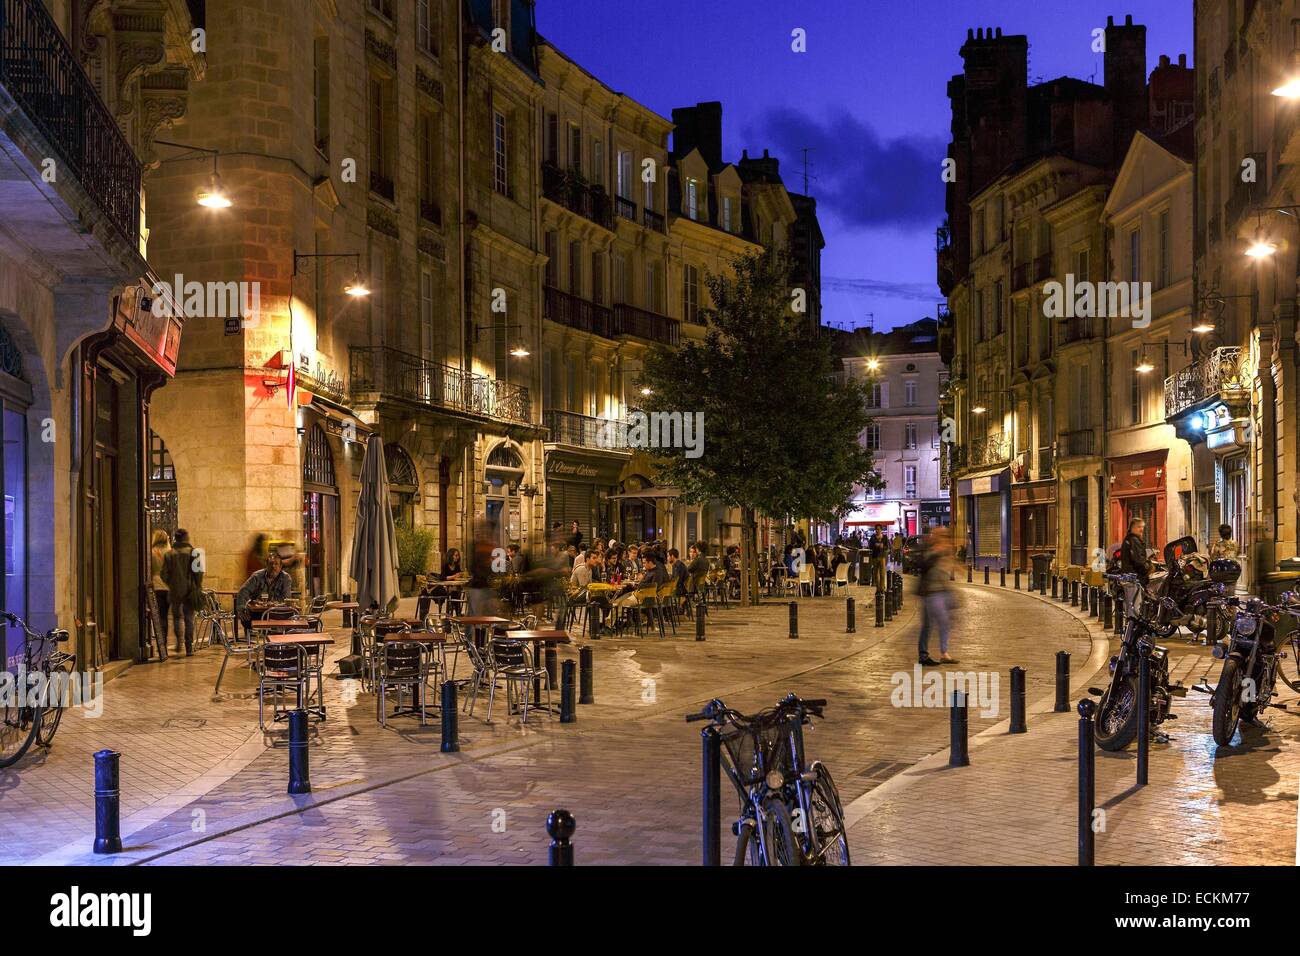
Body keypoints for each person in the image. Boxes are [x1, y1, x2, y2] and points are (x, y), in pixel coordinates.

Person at [916, 526, 956, 666]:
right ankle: (928, 655)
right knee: (935, 623)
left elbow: (946, 568)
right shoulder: (929, 547)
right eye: (941, 534)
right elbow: (923, 566)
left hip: (940, 590)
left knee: (931, 624)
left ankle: (930, 654)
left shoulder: (943, 548)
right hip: (930, 591)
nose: (943, 537)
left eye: (945, 535)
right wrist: (936, 553)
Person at [161, 529, 204, 655]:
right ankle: (188, 646)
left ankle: (179, 642)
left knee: (176, 617)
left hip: (174, 590)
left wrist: (171, 582)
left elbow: (164, 573)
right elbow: (198, 572)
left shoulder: (169, 554)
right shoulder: (193, 552)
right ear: (186, 538)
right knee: (189, 618)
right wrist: (197, 585)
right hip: (190, 590)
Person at [236, 551, 294, 641]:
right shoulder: (257, 576)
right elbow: (243, 591)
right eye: (271, 564)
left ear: (281, 566)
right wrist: (241, 607)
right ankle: (257, 642)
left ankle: (278, 642)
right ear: (266, 565)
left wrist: (270, 603)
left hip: (277, 613)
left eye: (276, 564)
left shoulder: (286, 578)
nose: (273, 567)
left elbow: (285, 598)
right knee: (246, 618)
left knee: (289, 616)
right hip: (259, 613)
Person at [149, 529, 171, 646]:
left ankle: (160, 642)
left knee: (158, 616)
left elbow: (150, 570)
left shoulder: (152, 552)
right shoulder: (170, 552)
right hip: (168, 588)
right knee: (165, 616)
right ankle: (164, 642)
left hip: (156, 587)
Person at [1120, 517, 1151, 586]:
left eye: (1142, 527)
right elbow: (1138, 560)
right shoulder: (1134, 540)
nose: (1141, 529)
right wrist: (1148, 567)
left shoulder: (1129, 538)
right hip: (1135, 577)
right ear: (1132, 528)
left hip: (1129, 575)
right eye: (1139, 527)